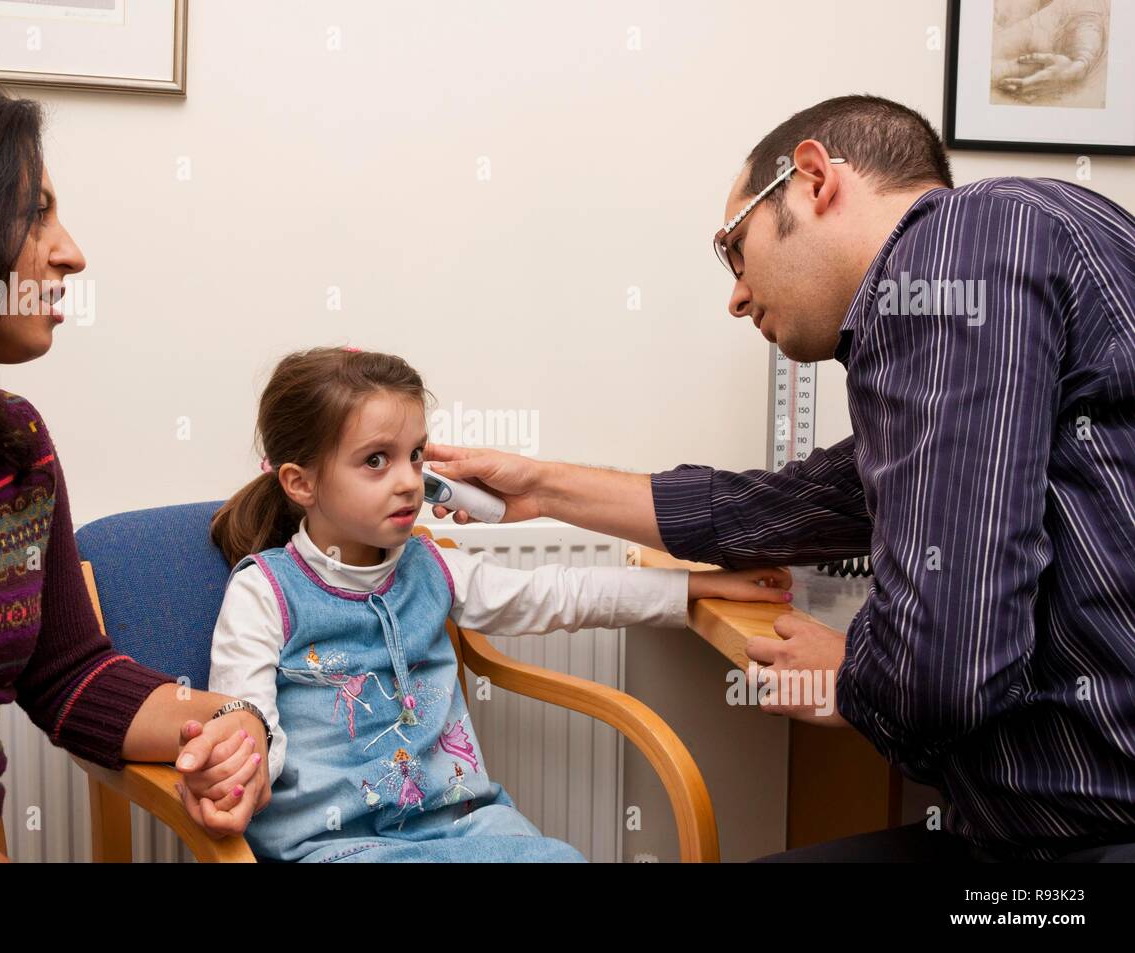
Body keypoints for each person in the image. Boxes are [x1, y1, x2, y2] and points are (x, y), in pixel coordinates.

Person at [425, 95, 1135, 862]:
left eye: (734, 247)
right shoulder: (1028, 242)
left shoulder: (956, 249)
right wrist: (543, 489)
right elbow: (783, 506)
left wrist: (855, 671)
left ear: (813, 178)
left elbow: (944, 677)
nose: (734, 296)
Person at [0, 63, 270, 862]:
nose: (70, 255)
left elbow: (70, 674)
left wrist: (229, 720)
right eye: (33, 218)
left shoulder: (14, 443)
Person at [205, 345, 792, 862]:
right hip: (333, 847)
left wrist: (691, 588)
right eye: (376, 460)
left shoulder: (433, 566)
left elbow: (561, 595)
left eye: (415, 454)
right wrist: (237, 766)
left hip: (467, 829)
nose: (410, 480)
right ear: (300, 483)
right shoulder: (263, 592)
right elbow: (244, 725)